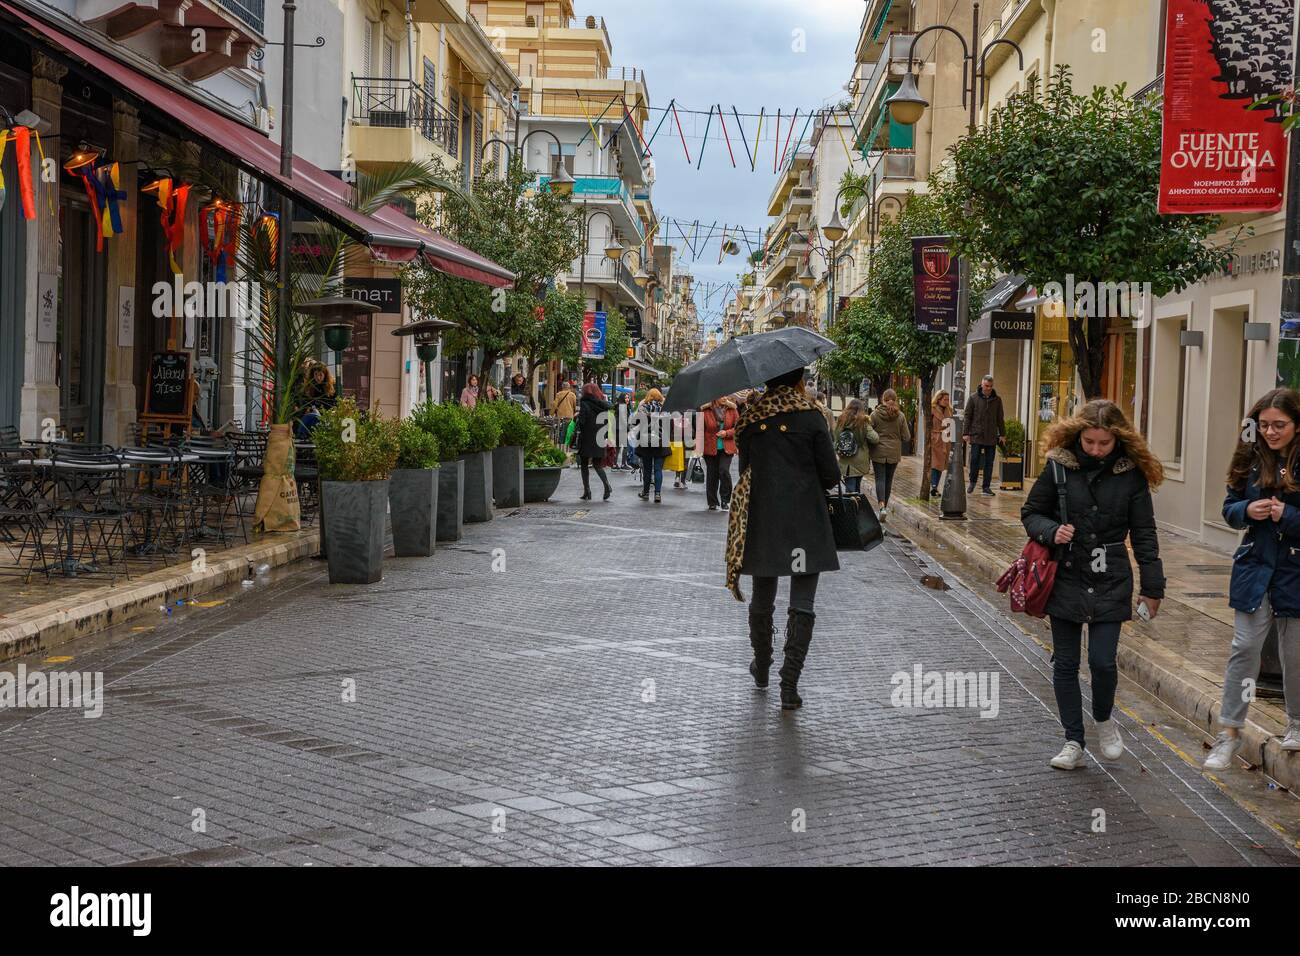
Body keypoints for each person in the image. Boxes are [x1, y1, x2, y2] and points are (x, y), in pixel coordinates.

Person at [1021, 399, 1165, 770]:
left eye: (1104, 443)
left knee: (1102, 661)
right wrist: (1053, 531)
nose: (1097, 450)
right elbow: (1031, 513)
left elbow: (1145, 533)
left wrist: (1153, 587)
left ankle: (1103, 718)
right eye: (1089, 442)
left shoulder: (1130, 474)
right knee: (1066, 663)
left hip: (1110, 574)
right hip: (1067, 571)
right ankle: (1073, 740)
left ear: (1118, 439)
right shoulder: (1059, 466)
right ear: (1077, 436)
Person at [726, 366, 840, 711]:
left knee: (763, 597)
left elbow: (746, 471)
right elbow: (832, 476)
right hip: (806, 520)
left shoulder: (750, 422)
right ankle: (789, 685)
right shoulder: (812, 417)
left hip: (763, 520)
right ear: (799, 380)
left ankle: (761, 666)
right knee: (802, 603)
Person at [1204, 388, 1300, 770]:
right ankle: (1229, 732)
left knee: (1295, 654)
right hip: (1254, 567)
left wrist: (1285, 516)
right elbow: (1229, 509)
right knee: (1244, 648)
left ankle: (1296, 724)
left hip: (1294, 570)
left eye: (1280, 425)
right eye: (1264, 426)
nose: (1271, 433)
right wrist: (1248, 509)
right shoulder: (1249, 455)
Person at [869, 388, 910, 518]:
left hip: (878, 451)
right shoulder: (901, 416)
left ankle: (881, 507)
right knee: (888, 480)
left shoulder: (875, 414)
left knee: (880, 479)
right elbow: (907, 437)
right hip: (894, 452)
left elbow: (868, 432)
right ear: (895, 399)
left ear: (883, 399)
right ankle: (885, 507)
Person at [964, 374, 1005, 496]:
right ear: (982, 384)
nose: (988, 388)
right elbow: (967, 416)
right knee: (975, 459)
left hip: (991, 436)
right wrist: (966, 433)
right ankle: (972, 482)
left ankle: (986, 486)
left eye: (990, 386)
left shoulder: (997, 400)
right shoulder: (973, 398)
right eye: (986, 386)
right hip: (976, 434)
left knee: (989, 462)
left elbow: (1000, 418)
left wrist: (1002, 434)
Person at [576, 382, 613, 501]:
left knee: (584, 464)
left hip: (587, 437)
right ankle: (607, 484)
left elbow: (582, 421)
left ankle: (587, 491)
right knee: (597, 464)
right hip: (599, 437)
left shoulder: (584, 403)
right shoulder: (603, 404)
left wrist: (577, 418)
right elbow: (607, 422)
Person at [702, 396, 739, 511]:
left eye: (726, 395)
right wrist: (697, 448)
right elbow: (699, 430)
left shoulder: (732, 410)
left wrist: (727, 433)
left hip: (726, 448)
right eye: (722, 395)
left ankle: (725, 499)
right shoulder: (705, 411)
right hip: (710, 448)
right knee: (712, 475)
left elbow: (738, 427)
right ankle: (712, 502)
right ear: (715, 397)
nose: (725, 398)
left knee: (724, 471)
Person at [834, 398, 878, 494]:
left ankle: (851, 507)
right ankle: (855, 507)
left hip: (845, 459)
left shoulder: (841, 420)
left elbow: (836, 438)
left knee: (849, 490)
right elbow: (875, 439)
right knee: (856, 489)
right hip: (860, 461)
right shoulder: (864, 422)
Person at [635, 388, 670, 503]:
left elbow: (636, 422)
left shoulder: (643, 407)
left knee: (647, 469)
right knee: (658, 469)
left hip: (646, 442)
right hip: (661, 441)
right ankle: (658, 494)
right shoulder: (665, 409)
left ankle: (645, 492)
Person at [929, 390, 954, 497]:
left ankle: (935, 486)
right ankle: (934, 486)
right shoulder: (932, 409)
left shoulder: (949, 410)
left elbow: (951, 426)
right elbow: (927, 425)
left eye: (948, 400)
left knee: (940, 465)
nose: (947, 401)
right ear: (939, 399)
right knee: (935, 464)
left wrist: (952, 440)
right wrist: (930, 437)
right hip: (935, 438)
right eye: (945, 399)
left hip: (945, 439)